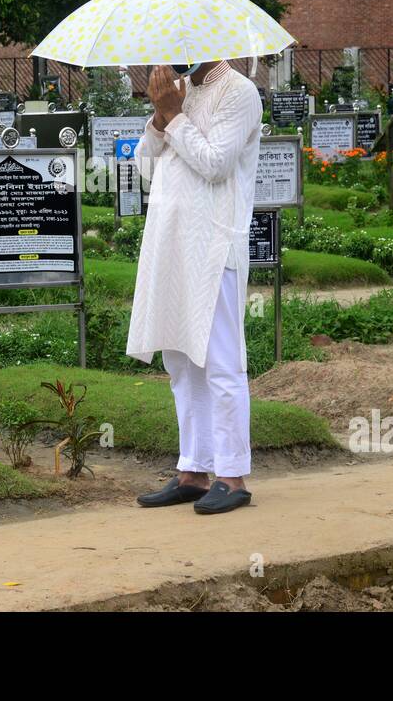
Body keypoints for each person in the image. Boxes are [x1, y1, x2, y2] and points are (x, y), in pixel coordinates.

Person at [126, 58, 263, 514]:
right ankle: (193, 470)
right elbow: (145, 167)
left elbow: (216, 164)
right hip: (171, 246)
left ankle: (232, 475)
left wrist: (175, 114)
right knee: (182, 362)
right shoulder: (178, 89)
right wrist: (161, 114)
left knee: (222, 361)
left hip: (214, 245)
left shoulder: (239, 92)